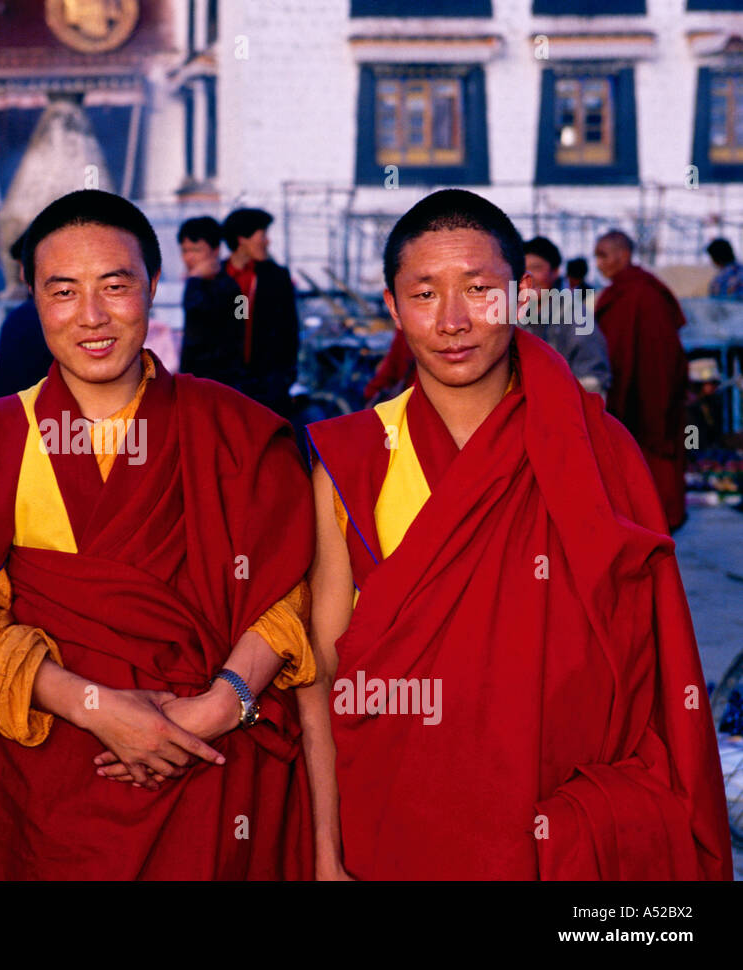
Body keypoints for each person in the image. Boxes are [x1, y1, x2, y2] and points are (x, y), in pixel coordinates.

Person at [304, 189, 732, 880]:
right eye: (424, 295)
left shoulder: (598, 450)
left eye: (478, 290)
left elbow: (662, 665)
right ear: (392, 307)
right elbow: (322, 672)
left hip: (555, 828)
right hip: (394, 823)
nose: (451, 321)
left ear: (523, 296)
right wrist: (326, 854)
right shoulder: (352, 460)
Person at [0, 190, 340, 879]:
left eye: (115, 286)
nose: (91, 317)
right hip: (59, 785)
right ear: (33, 298)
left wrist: (220, 705)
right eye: (62, 291)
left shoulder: (236, 429)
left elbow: (287, 594)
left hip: (213, 769)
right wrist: (99, 709)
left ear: (154, 288)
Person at [594, 229, 690, 531]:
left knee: (654, 450)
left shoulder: (643, 292)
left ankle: (660, 520)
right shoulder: (623, 291)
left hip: (650, 388)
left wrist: (659, 394)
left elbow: (661, 351)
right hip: (625, 383)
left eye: (603, 255)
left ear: (623, 256)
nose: (598, 263)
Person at [220, 207, 301, 417]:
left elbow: (290, 329)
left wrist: (285, 376)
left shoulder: (277, 277)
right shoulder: (216, 277)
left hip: (267, 382)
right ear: (242, 239)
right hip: (223, 380)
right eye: (262, 235)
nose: (267, 241)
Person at [517, 235, 610, 395]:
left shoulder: (576, 316)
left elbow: (594, 380)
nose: (529, 278)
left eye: (537, 268)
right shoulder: (513, 315)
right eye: (523, 270)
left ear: (555, 272)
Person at [177, 216, 245, 389]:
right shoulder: (198, 283)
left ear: (215, 250)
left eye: (196, 250)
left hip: (219, 380)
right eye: (185, 251)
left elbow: (195, 309)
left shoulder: (231, 288)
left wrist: (194, 279)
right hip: (197, 378)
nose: (189, 257)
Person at [0, 235, 52, 398]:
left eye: (24, 266)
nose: (21, 277)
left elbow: (3, 393)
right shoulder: (24, 317)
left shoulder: (23, 318)